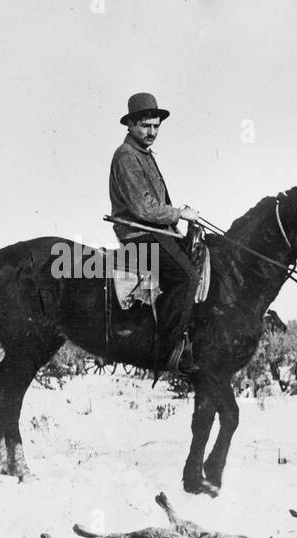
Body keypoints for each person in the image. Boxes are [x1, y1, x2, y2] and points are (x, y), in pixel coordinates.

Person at [108, 92, 203, 374]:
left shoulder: (143, 155)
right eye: (145, 126)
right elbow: (145, 209)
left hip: (154, 231)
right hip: (138, 235)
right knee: (188, 276)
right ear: (131, 125)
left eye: (156, 126)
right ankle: (166, 350)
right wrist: (179, 214)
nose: (152, 132)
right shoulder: (126, 156)